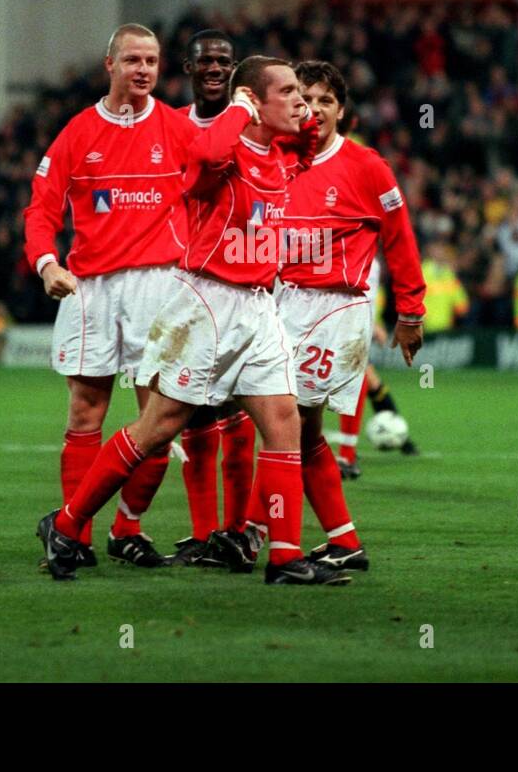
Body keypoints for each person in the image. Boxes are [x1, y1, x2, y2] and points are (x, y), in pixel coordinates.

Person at [36, 55, 343, 585]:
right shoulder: (220, 158)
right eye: (290, 91)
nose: (302, 101)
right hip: (206, 305)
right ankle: (66, 526)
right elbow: (205, 148)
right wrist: (239, 108)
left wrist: (298, 115)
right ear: (253, 101)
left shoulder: (279, 155)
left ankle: (286, 557)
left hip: (257, 307)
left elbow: (311, 141)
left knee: (283, 423)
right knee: (158, 427)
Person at [226, 59, 423, 571]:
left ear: (341, 110)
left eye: (324, 101)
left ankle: (253, 532)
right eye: (304, 99)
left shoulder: (367, 167)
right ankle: (341, 540)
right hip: (283, 301)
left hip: (335, 309)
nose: (312, 109)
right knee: (297, 432)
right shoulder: (279, 159)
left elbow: (400, 239)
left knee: (286, 424)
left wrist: (411, 311)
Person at [24, 24, 200, 569]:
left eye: (151, 60)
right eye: (132, 60)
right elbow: (41, 209)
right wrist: (46, 262)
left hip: (159, 284)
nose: (143, 69)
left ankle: (128, 527)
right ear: (110, 65)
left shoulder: (177, 127)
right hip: (90, 288)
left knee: (159, 417)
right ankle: (75, 533)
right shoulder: (77, 132)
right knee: (85, 410)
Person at [168, 29, 258, 567]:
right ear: (189, 66)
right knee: (196, 414)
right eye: (206, 60)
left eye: (225, 61)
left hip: (240, 284)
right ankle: (205, 535)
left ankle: (238, 530)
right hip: (185, 282)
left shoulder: (252, 127)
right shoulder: (171, 125)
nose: (215, 68)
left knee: (240, 410)